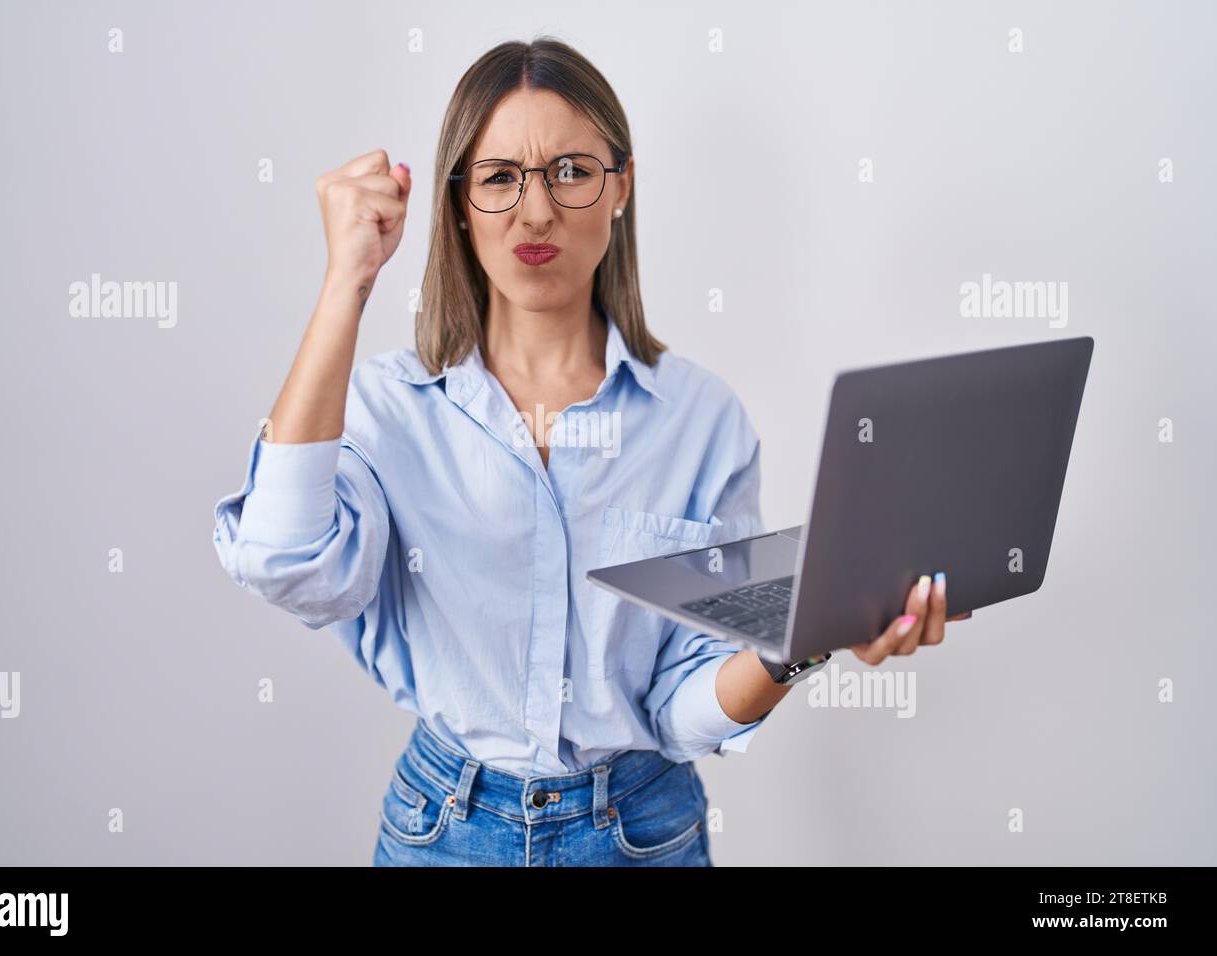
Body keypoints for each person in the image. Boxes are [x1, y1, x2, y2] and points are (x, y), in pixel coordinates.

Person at [211, 37, 970, 866]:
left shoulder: (700, 419)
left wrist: (807, 636)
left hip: (643, 833)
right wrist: (345, 283)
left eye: (571, 170)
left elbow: (681, 713)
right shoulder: (387, 408)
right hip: (444, 834)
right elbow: (287, 562)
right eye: (500, 178)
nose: (535, 213)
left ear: (621, 187)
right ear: (458, 204)